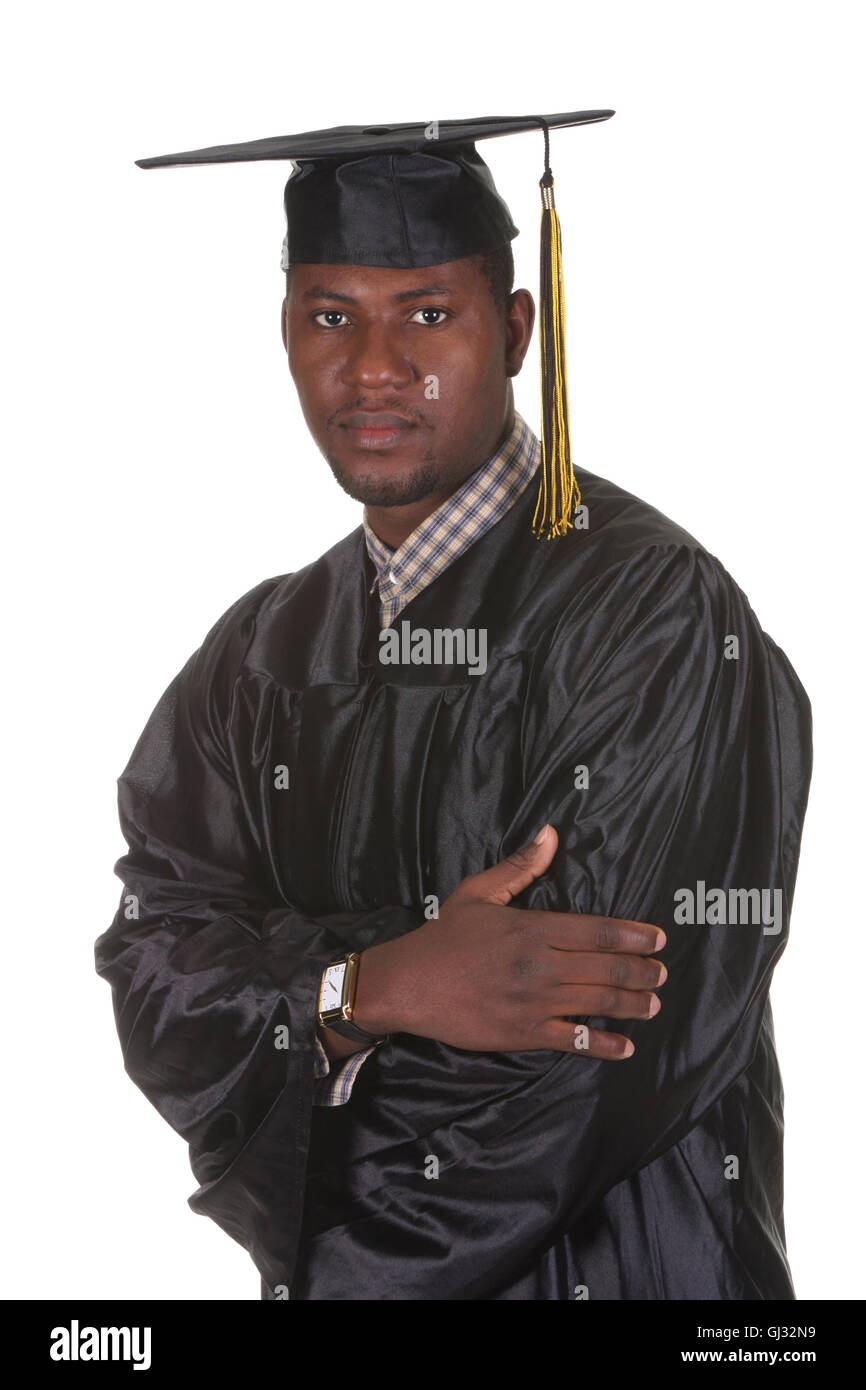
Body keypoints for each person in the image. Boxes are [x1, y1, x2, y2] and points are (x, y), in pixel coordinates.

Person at [95, 112, 812, 1300]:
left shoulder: (652, 615)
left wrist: (324, 1227)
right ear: (283, 331)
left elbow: (581, 1068)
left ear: (517, 329)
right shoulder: (262, 649)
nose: (373, 366)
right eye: (331, 314)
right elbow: (155, 963)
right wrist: (371, 986)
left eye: (427, 312)